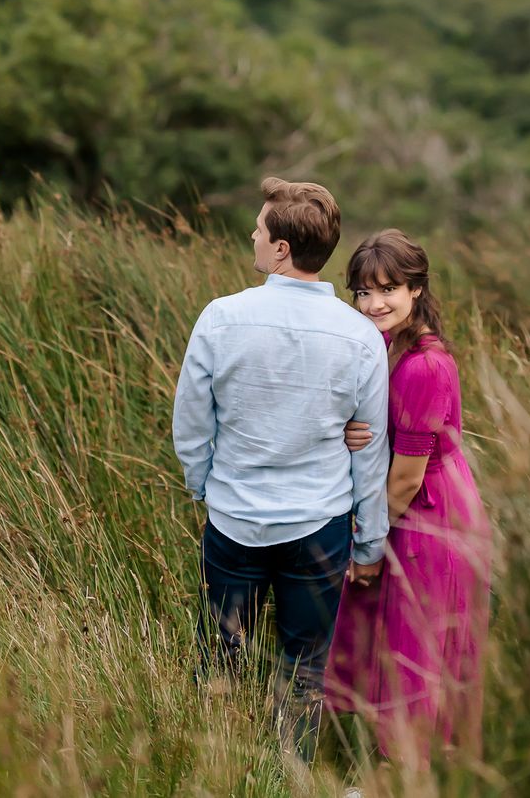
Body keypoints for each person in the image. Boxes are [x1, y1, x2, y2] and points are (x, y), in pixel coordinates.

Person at [172, 177, 390, 758]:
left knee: (221, 659)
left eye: (259, 229)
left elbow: (191, 422)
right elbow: (369, 450)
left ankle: (214, 769)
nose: (253, 235)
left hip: (234, 521)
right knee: (303, 669)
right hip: (320, 526)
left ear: (281, 249)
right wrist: (370, 542)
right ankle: (289, 777)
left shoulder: (221, 318)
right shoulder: (361, 336)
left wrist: (204, 487)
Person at [325, 229, 491, 771]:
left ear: (416, 289)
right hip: (406, 505)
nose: (374, 304)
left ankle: (409, 770)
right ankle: (395, 765)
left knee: (416, 649)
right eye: (363, 292)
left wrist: (367, 544)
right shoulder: (386, 345)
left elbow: (406, 478)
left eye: (388, 289)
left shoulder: (424, 364)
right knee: (391, 640)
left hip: (430, 513)